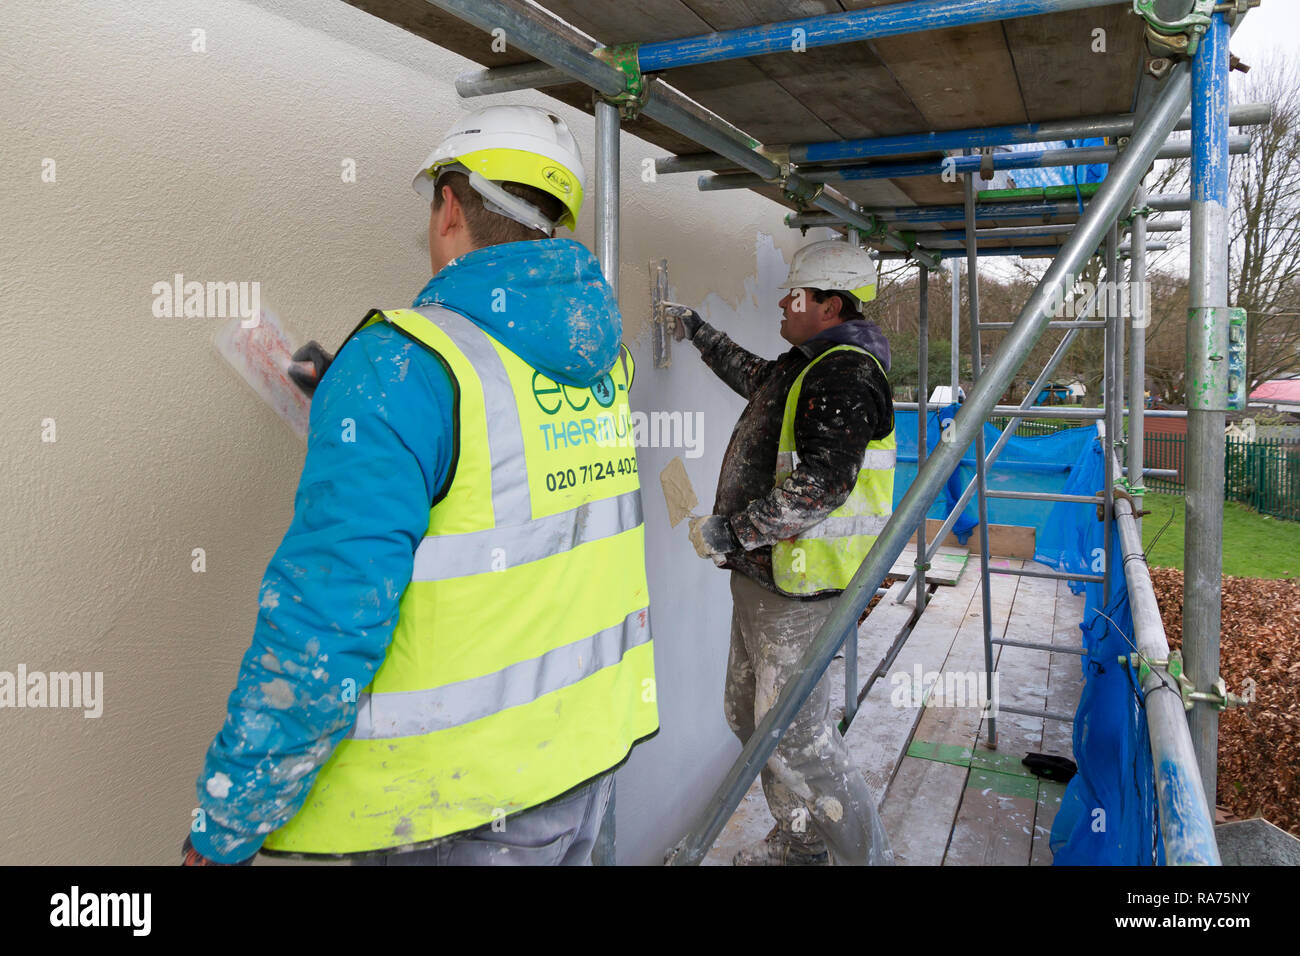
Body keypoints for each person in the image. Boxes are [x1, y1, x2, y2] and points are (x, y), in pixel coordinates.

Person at [182, 104, 658, 866]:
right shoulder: (603, 360)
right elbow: (503, 472)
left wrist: (229, 819)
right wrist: (372, 405)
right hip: (578, 764)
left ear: (447, 206)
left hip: (454, 809)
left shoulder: (398, 369)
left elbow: (325, 619)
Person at [669, 239, 895, 866]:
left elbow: (822, 485)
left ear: (828, 304)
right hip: (768, 579)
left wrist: (730, 531)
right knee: (749, 716)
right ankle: (800, 843)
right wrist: (697, 330)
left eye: (794, 292)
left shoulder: (845, 372)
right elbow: (754, 376)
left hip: (802, 590)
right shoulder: (806, 364)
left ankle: (866, 859)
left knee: (800, 741)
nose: (780, 299)